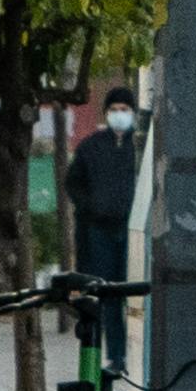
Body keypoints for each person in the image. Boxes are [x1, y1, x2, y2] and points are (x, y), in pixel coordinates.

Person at [65, 88, 142, 370]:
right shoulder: (92, 146)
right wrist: (90, 207)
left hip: (130, 230)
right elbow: (73, 182)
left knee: (129, 292)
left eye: (125, 109)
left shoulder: (141, 147)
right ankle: (115, 357)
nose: (119, 114)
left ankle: (126, 354)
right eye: (115, 109)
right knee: (106, 294)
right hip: (99, 230)